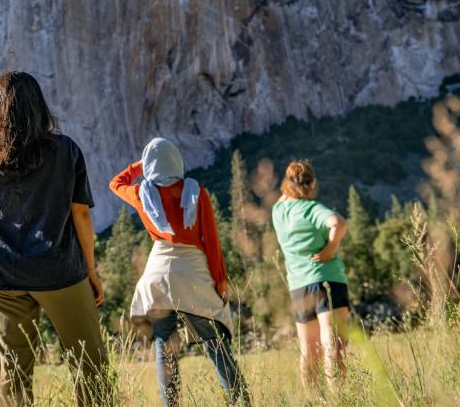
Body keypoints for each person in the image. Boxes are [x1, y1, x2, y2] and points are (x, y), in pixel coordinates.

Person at [0, 71, 111, 407]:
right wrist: (91, 271)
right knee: (90, 365)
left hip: (2, 277)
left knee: (11, 378)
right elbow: (81, 213)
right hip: (59, 271)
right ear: (39, 108)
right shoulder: (65, 151)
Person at [109, 137, 251, 407]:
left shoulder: (143, 193)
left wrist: (142, 165)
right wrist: (220, 280)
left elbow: (115, 183)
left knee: (165, 346)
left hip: (157, 275)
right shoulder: (196, 193)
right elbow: (211, 242)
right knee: (215, 342)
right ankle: (241, 402)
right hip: (192, 272)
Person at [270, 160, 350, 387]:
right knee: (333, 345)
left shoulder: (278, 212)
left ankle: (310, 401)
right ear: (312, 184)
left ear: (286, 184)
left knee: (308, 351)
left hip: (298, 287)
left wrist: (287, 188)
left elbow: (283, 198)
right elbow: (339, 223)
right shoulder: (311, 209)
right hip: (327, 280)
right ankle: (338, 401)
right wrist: (330, 249)